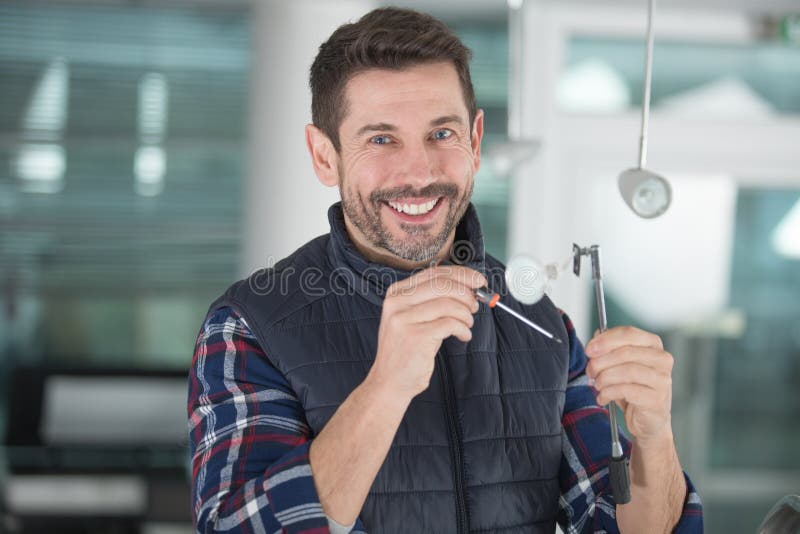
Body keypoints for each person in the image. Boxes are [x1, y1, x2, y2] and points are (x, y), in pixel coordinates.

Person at [187, 7, 703, 533]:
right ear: (325, 156)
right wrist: (385, 387)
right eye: (381, 139)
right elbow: (236, 527)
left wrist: (656, 435)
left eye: (441, 134)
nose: (419, 173)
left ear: (475, 142)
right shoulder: (248, 327)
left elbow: (616, 524)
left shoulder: (543, 324)